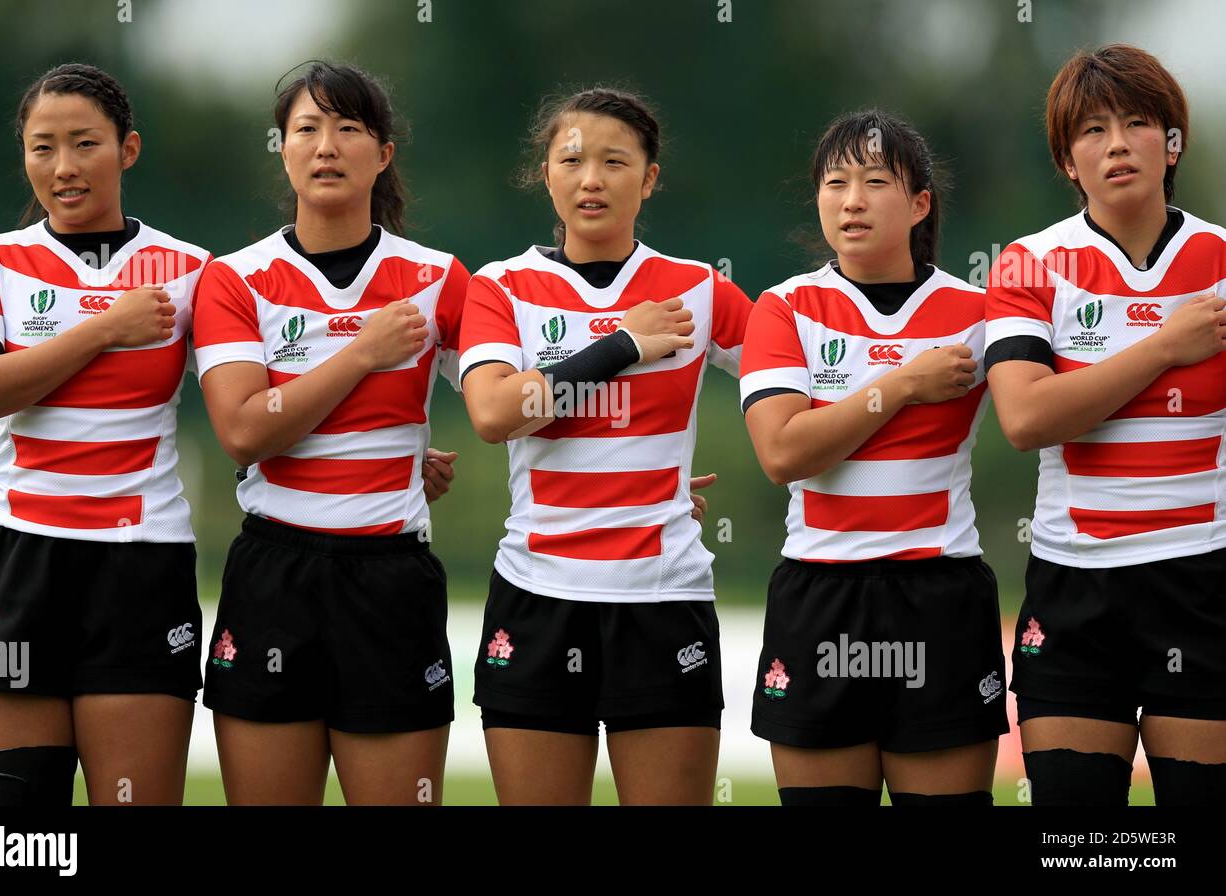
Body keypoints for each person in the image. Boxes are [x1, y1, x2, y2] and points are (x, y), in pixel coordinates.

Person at [459, 87, 751, 805]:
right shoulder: (502, 287)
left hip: (663, 601)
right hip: (537, 596)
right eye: (573, 160)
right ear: (546, 173)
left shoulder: (700, 291)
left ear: (648, 179)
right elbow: (496, 411)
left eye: (615, 161)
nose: (592, 179)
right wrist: (622, 343)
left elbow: (803, 387)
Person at [192, 61, 466, 805]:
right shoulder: (234, 278)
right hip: (274, 574)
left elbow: (508, 404)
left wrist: (648, 491)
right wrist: (363, 355)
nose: (326, 146)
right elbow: (246, 431)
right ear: (280, 148)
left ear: (383, 154)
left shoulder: (438, 278)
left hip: (392, 580)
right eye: (307, 129)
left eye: (349, 128)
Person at [0, 62, 209, 805]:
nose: (62, 168)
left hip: (141, 568)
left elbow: (250, 407)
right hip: (14, 566)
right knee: (22, 834)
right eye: (41, 147)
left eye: (85, 144)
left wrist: (408, 458)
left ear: (128, 149)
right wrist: (105, 330)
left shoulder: (191, 271)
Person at [741, 109, 1008, 806]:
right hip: (821, 598)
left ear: (920, 204)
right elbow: (782, 451)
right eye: (835, 182)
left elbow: (1040, 410)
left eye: (874, 181)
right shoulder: (786, 308)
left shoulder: (978, 313)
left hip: (939, 596)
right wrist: (902, 386)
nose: (851, 200)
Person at [985, 44, 1226, 806]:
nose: (1116, 144)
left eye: (1137, 122)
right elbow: (1026, 418)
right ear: (1067, 161)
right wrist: (1165, 347)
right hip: (1075, 588)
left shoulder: (1220, 259)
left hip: (1204, 582)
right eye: (1091, 130)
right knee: (1080, 846)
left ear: (1173, 142)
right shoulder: (1028, 264)